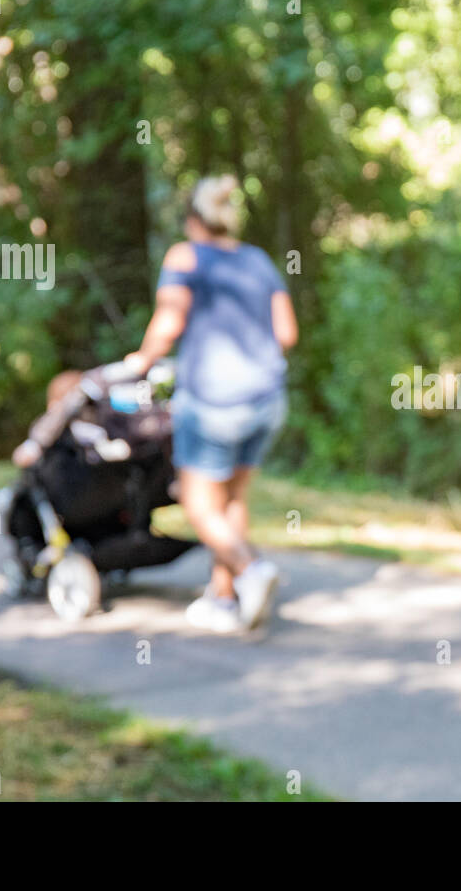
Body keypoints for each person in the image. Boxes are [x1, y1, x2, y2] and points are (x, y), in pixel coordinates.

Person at [124, 175, 298, 634]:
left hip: (214, 400)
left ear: (191, 220)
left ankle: (250, 569)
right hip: (266, 397)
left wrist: (141, 361)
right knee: (232, 498)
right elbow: (286, 334)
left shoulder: (186, 256)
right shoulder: (257, 261)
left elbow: (167, 322)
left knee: (200, 504)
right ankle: (224, 598)